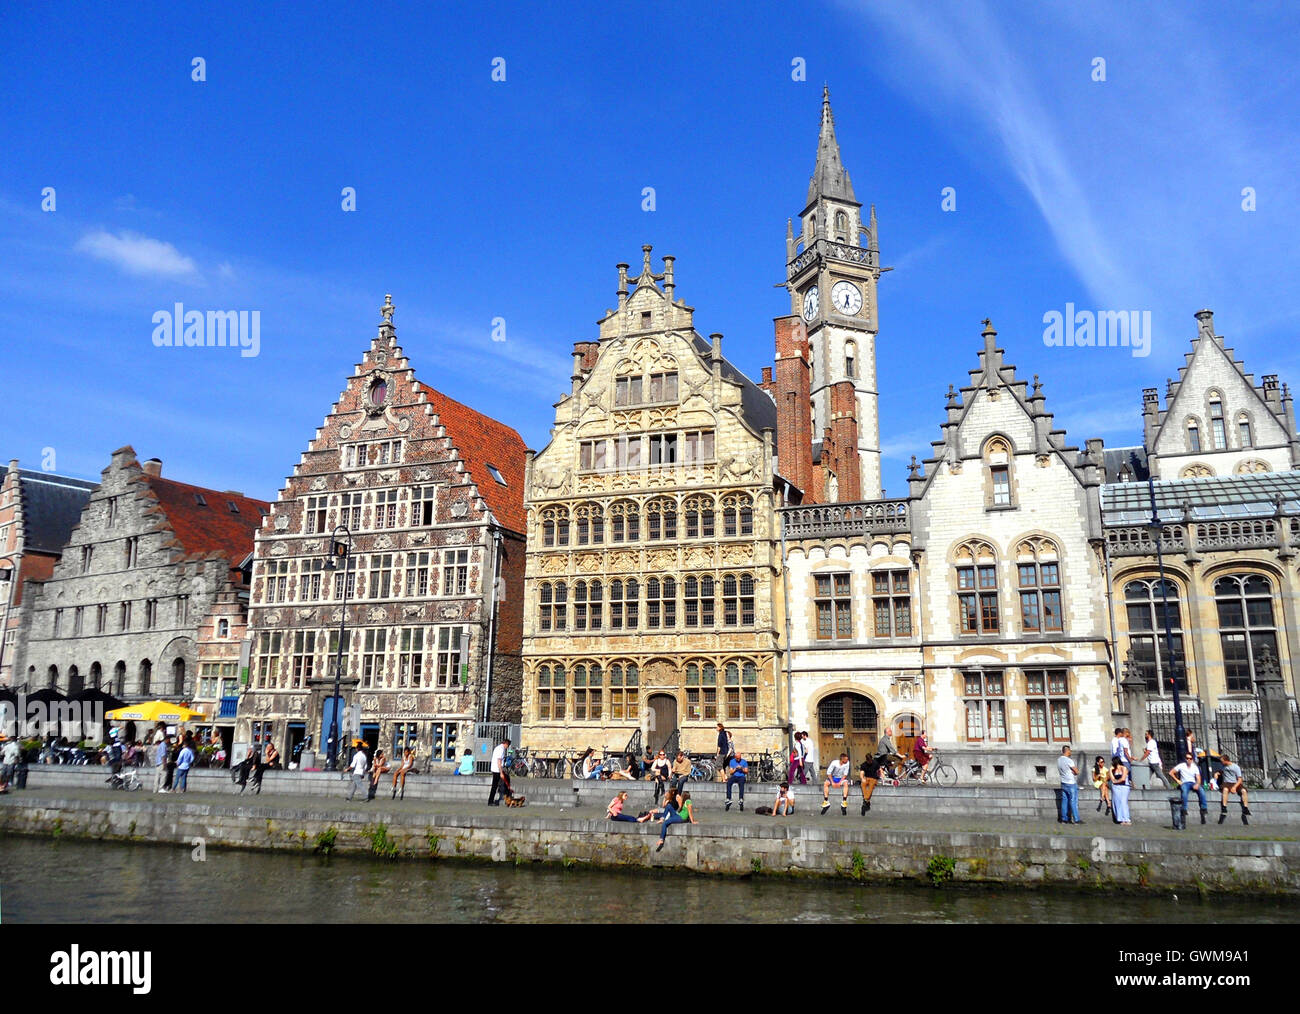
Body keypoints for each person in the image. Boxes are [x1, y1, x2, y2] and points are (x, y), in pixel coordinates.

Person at [1170, 751, 1208, 826]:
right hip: (1184, 783)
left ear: (1192, 759)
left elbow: (1198, 778)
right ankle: (1184, 809)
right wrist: (1177, 780)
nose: (1188, 760)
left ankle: (1204, 808)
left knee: (1201, 791)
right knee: (1184, 792)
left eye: (1190, 758)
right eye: (1187, 758)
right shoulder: (1181, 765)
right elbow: (1171, 772)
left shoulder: (1195, 767)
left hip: (1193, 783)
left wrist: (1197, 784)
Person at [1217, 752, 1251, 824]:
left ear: (1226, 760)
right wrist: (1216, 774)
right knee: (1225, 790)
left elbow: (1240, 779)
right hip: (1226, 783)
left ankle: (1245, 808)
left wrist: (1234, 787)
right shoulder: (1223, 767)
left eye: (1222, 761)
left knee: (1244, 791)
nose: (1221, 763)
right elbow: (1220, 772)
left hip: (1235, 782)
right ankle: (1224, 808)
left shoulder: (1235, 767)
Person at [1057, 745, 1081, 824]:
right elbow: (1077, 771)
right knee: (1073, 801)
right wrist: (1074, 772)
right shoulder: (1069, 760)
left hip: (1063, 782)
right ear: (1067, 751)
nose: (1070, 752)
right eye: (1070, 751)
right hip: (1070, 783)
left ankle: (1064, 819)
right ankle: (1076, 819)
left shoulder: (1059, 760)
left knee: (1064, 801)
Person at [488, 737, 510, 806]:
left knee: (497, 784)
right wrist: (501, 773)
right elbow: (499, 761)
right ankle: (491, 801)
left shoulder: (498, 747)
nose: (507, 747)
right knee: (495, 786)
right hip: (497, 770)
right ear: (506, 744)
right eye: (508, 746)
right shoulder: (501, 749)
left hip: (495, 769)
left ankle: (503, 797)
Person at [1110, 757, 1131, 825]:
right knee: (1117, 802)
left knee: (1123, 802)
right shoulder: (1114, 770)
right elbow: (1112, 779)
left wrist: (1116, 781)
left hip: (1124, 787)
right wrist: (1110, 770)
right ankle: (1120, 818)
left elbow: (1123, 778)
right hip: (1116, 787)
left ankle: (1126, 819)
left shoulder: (1123, 768)